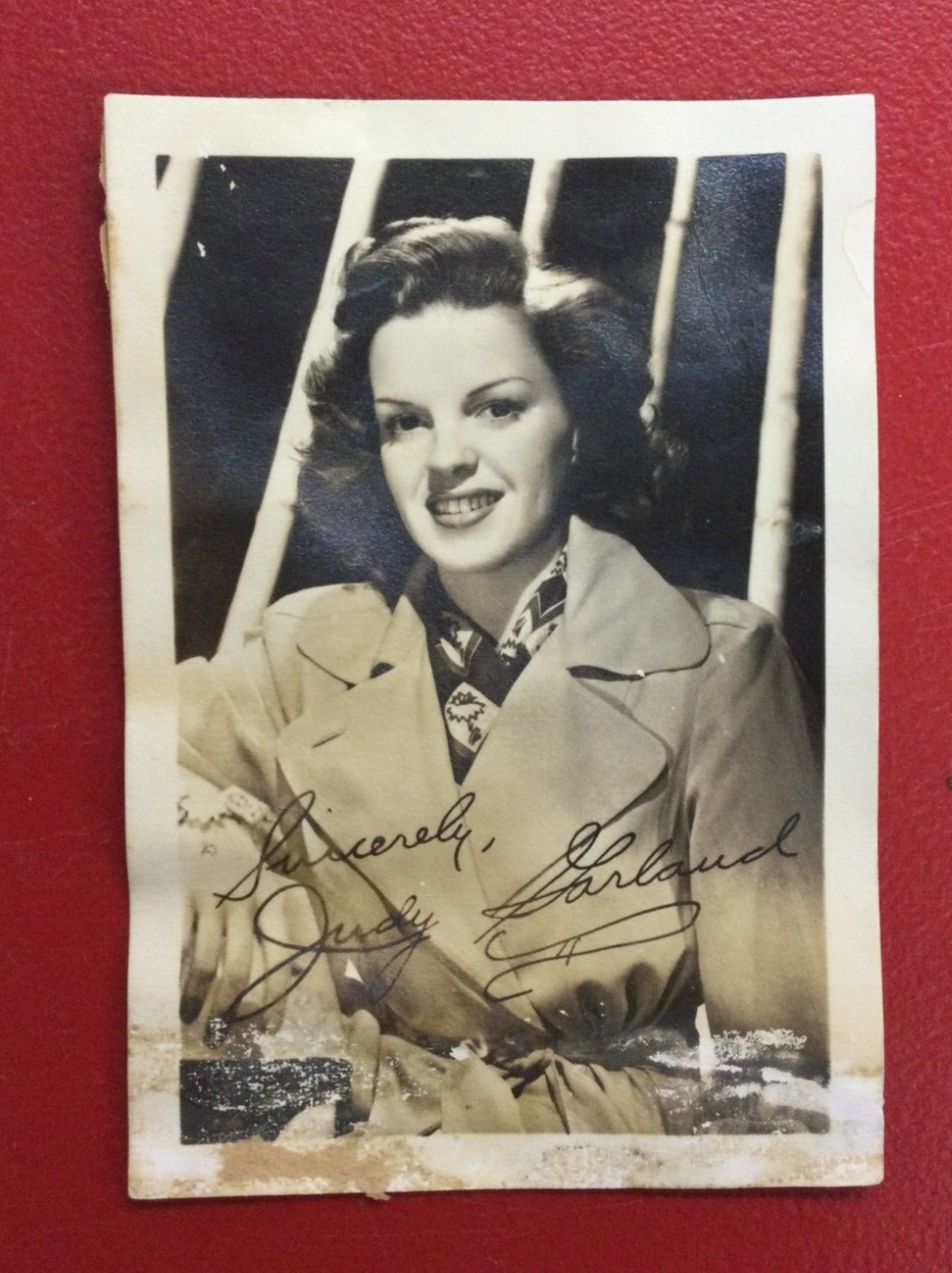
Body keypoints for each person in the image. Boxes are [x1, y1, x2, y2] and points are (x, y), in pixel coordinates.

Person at [176, 216, 828, 1137]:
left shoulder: (722, 663)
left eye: (497, 407)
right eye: (407, 423)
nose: (446, 459)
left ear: (581, 426)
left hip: (586, 1176)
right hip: (332, 1150)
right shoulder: (310, 642)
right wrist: (217, 860)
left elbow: (782, 1088)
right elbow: (104, 765)